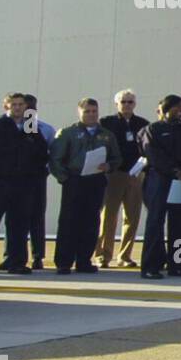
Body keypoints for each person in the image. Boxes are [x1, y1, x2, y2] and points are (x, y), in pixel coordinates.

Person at [49, 98, 122, 274]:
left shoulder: (106, 134)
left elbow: (117, 157)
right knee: (69, 221)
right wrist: (65, 178)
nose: (91, 115)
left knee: (91, 221)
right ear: (79, 112)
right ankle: (64, 262)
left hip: (95, 181)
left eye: (94, 111)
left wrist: (109, 166)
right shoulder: (67, 133)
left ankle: (84, 260)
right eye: (87, 111)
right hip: (74, 180)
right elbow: (55, 160)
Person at [0, 92, 49, 275]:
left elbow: (41, 154)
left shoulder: (30, 128)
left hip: (23, 186)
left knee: (19, 226)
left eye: (21, 104)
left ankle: (16, 262)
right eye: (14, 104)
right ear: (6, 107)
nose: (18, 108)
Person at [138, 95, 181, 279]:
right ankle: (152, 266)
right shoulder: (153, 130)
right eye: (176, 107)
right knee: (155, 222)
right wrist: (174, 170)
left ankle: (179, 264)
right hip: (159, 180)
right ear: (167, 108)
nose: (180, 110)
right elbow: (152, 153)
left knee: (180, 225)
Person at [96, 89, 149, 268]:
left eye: (130, 102)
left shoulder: (142, 124)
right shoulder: (106, 123)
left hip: (135, 174)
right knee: (108, 216)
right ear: (117, 103)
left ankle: (124, 256)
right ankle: (103, 255)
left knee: (132, 217)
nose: (127, 105)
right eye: (123, 102)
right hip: (113, 174)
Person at [22, 94, 55, 270]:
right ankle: (12, 255)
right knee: (16, 218)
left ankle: (37, 256)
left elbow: (53, 153)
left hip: (37, 178)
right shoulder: (12, 127)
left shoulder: (45, 129)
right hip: (17, 179)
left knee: (37, 217)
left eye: (32, 106)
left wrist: (47, 171)